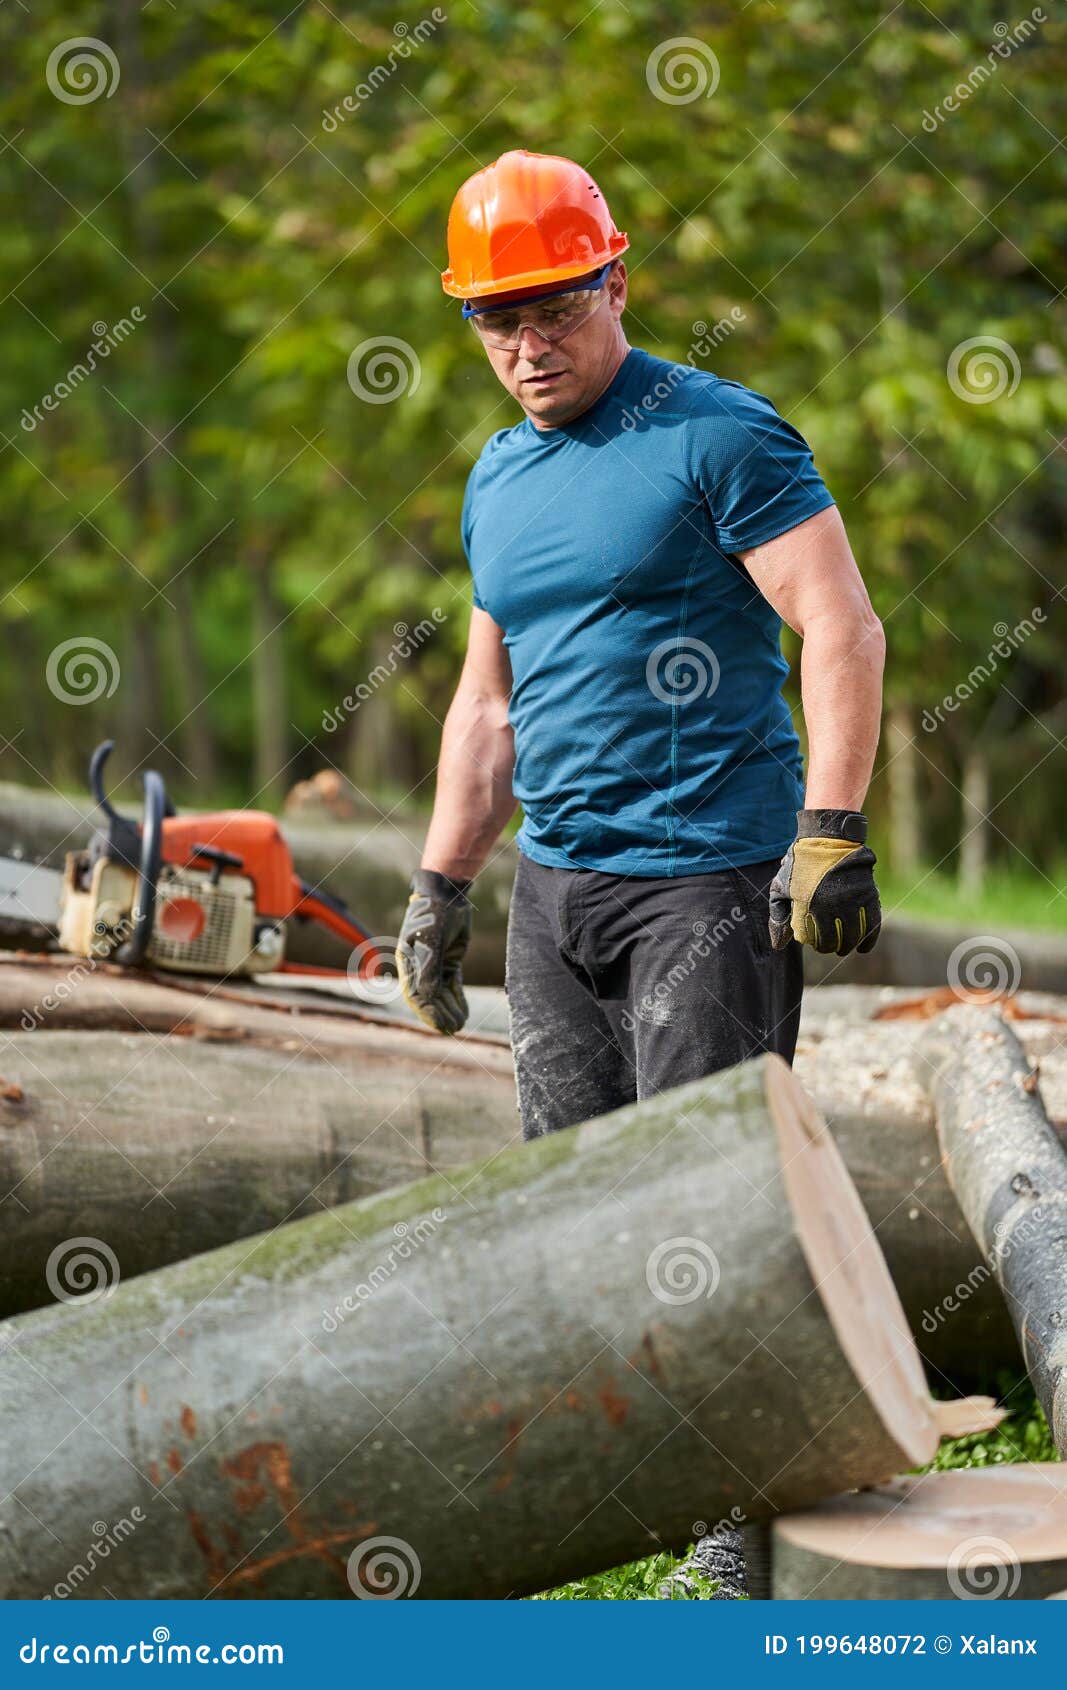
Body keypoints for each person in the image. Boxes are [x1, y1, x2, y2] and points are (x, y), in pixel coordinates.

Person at [396, 151, 883, 1598]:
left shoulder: (716, 435)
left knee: (705, 1207)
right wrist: (439, 883)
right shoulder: (497, 474)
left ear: (614, 280)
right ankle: (633, 1500)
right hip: (560, 894)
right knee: (575, 1208)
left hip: (710, 886)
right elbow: (487, 704)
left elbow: (840, 626)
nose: (526, 345)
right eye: (496, 320)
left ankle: (737, 1532)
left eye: (552, 307)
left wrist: (833, 826)